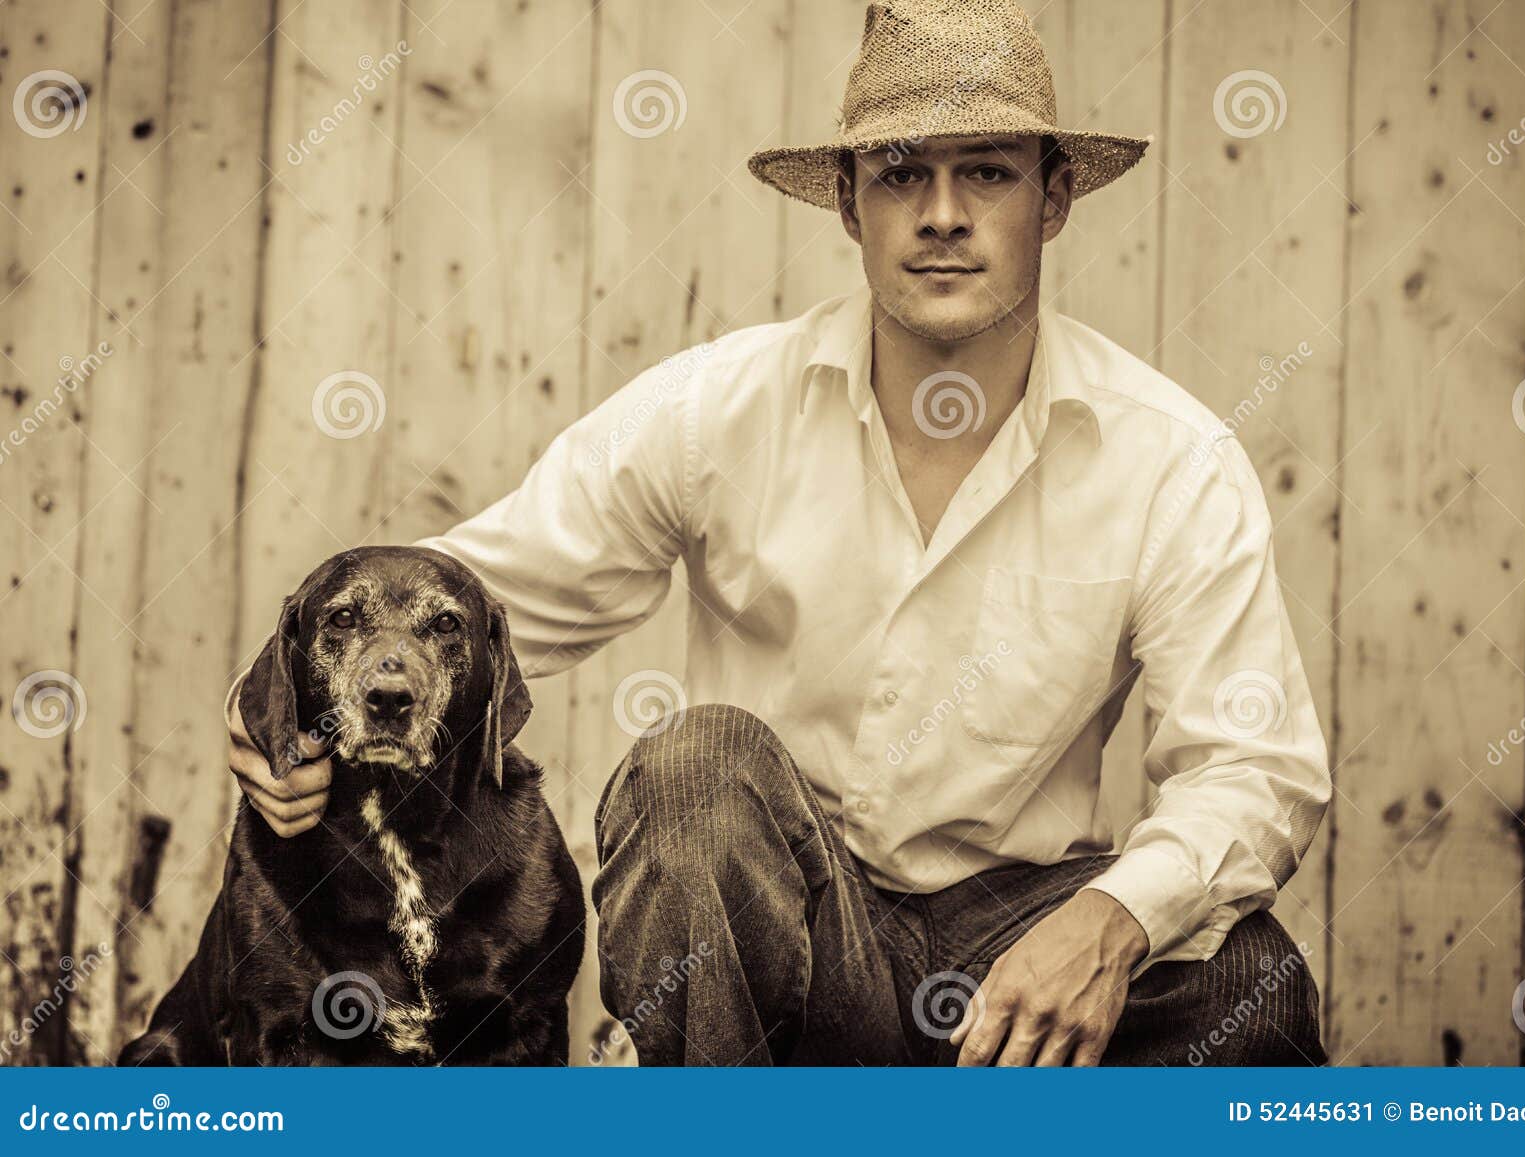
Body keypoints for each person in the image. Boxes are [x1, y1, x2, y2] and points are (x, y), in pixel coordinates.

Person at [229, 0, 1330, 1066]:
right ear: (850, 205)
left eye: (985, 170)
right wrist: (276, 705)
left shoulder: (1169, 457)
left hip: (1017, 949)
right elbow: (473, 595)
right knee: (694, 767)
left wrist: (1110, 916)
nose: (941, 213)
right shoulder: (716, 408)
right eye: (901, 172)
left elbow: (1251, 765)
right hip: (784, 938)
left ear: (1054, 198)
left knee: (1254, 984)